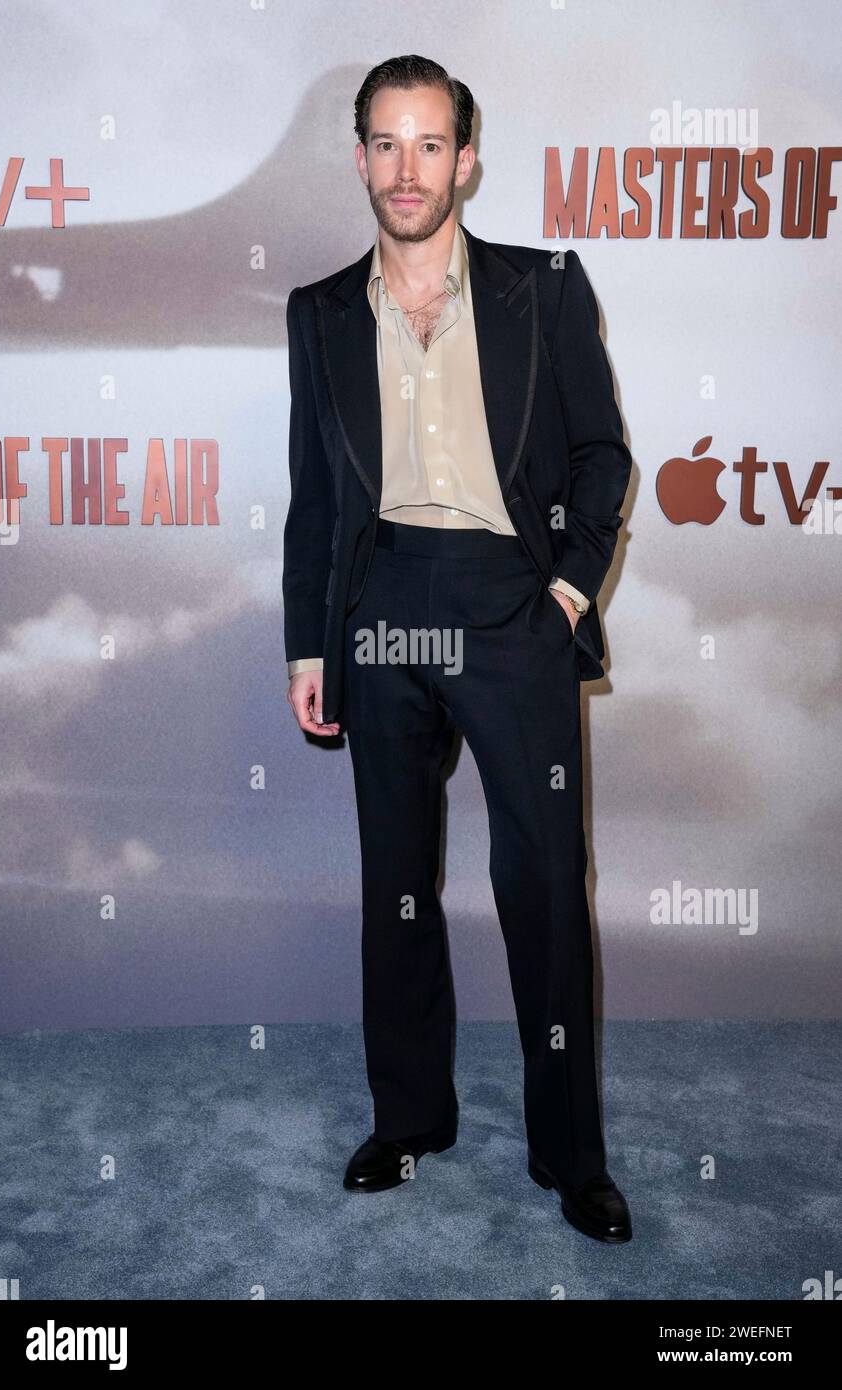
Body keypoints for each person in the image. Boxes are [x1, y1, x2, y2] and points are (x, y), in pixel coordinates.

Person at [282, 55, 633, 1243]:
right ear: (361, 158)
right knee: (395, 882)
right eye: (384, 144)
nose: (405, 170)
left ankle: (569, 1155)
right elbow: (314, 503)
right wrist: (306, 646)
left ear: (466, 160)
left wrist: (570, 594)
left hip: (508, 603)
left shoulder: (542, 288)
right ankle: (409, 1118)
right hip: (381, 602)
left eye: (429, 145)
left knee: (540, 886)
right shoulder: (319, 312)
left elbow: (602, 460)